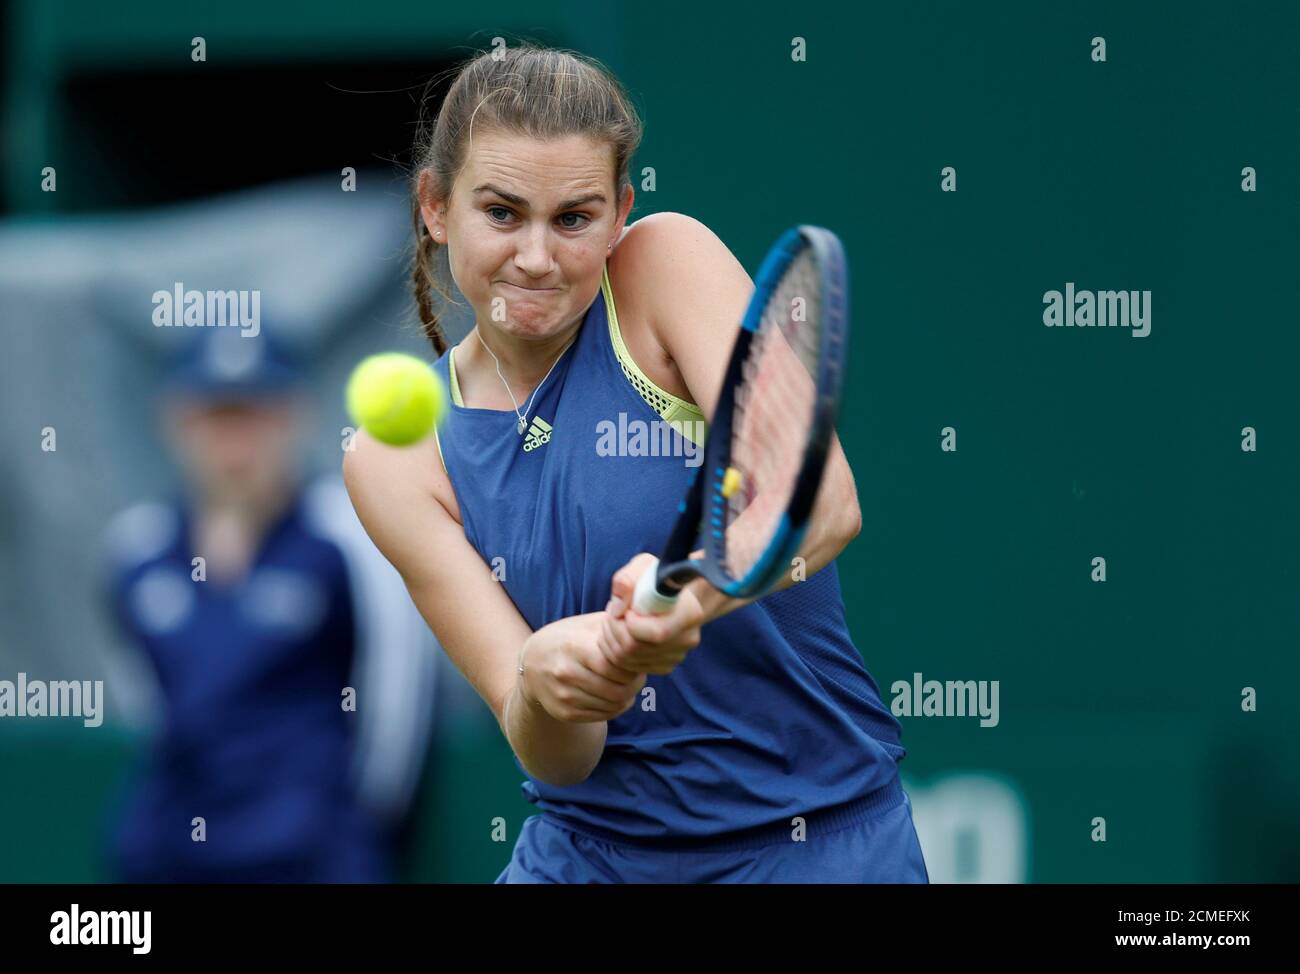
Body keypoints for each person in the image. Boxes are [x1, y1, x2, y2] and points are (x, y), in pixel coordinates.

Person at [345, 44, 928, 883]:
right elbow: (560, 758)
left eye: (573, 218)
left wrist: (683, 603)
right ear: (435, 206)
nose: (538, 257)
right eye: (502, 213)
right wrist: (548, 689)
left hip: (817, 846)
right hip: (586, 861)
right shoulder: (393, 460)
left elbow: (825, 501)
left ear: (619, 213)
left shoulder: (663, 266)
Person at [101, 328, 436, 882]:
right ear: (176, 421)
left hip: (314, 860)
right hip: (170, 856)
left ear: (295, 417)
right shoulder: (134, 552)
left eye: (256, 414)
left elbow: (394, 724)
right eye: (217, 415)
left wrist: (350, 834)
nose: (236, 442)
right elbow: (147, 706)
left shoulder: (354, 538)